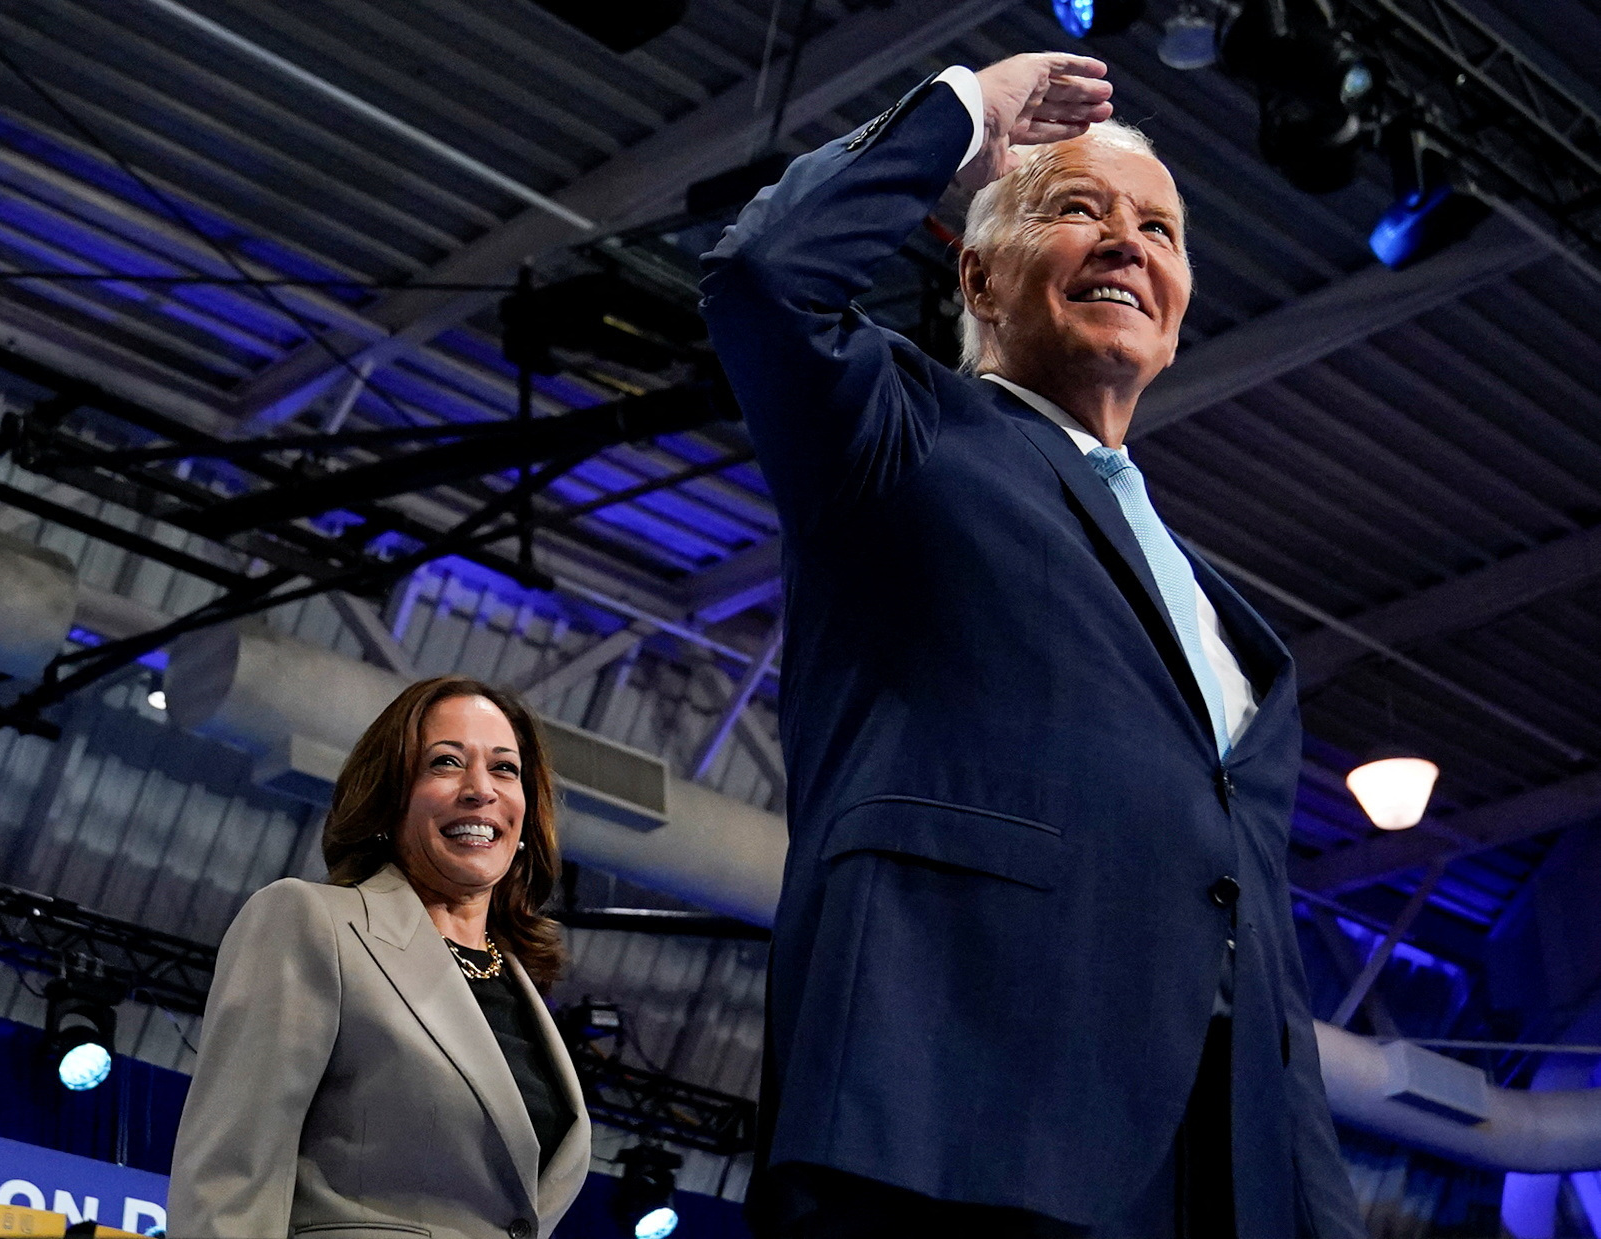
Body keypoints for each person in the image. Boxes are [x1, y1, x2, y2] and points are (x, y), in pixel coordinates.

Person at [700, 52, 1364, 1239]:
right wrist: (966, 108)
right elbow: (764, 275)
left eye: (1159, 230)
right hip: (952, 1120)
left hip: (1206, 1176)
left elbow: (1265, 969)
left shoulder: (1235, 632)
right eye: (1078, 210)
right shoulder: (902, 435)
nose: (1127, 245)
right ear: (978, 273)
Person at [169, 675, 591, 1239]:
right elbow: (226, 1182)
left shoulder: (517, 984)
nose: (480, 789)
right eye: (445, 763)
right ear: (390, 799)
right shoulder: (310, 922)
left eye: (504, 768)